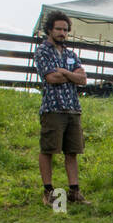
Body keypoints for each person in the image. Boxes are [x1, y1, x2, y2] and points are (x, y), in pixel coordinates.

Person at [34, 12, 89, 205]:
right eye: (58, 29)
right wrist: (71, 75)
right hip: (53, 108)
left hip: (73, 108)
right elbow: (51, 78)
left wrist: (64, 72)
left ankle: (74, 191)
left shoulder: (70, 54)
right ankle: (48, 191)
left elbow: (83, 79)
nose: (62, 33)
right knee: (48, 150)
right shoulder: (43, 51)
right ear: (49, 29)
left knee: (72, 152)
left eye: (65, 30)